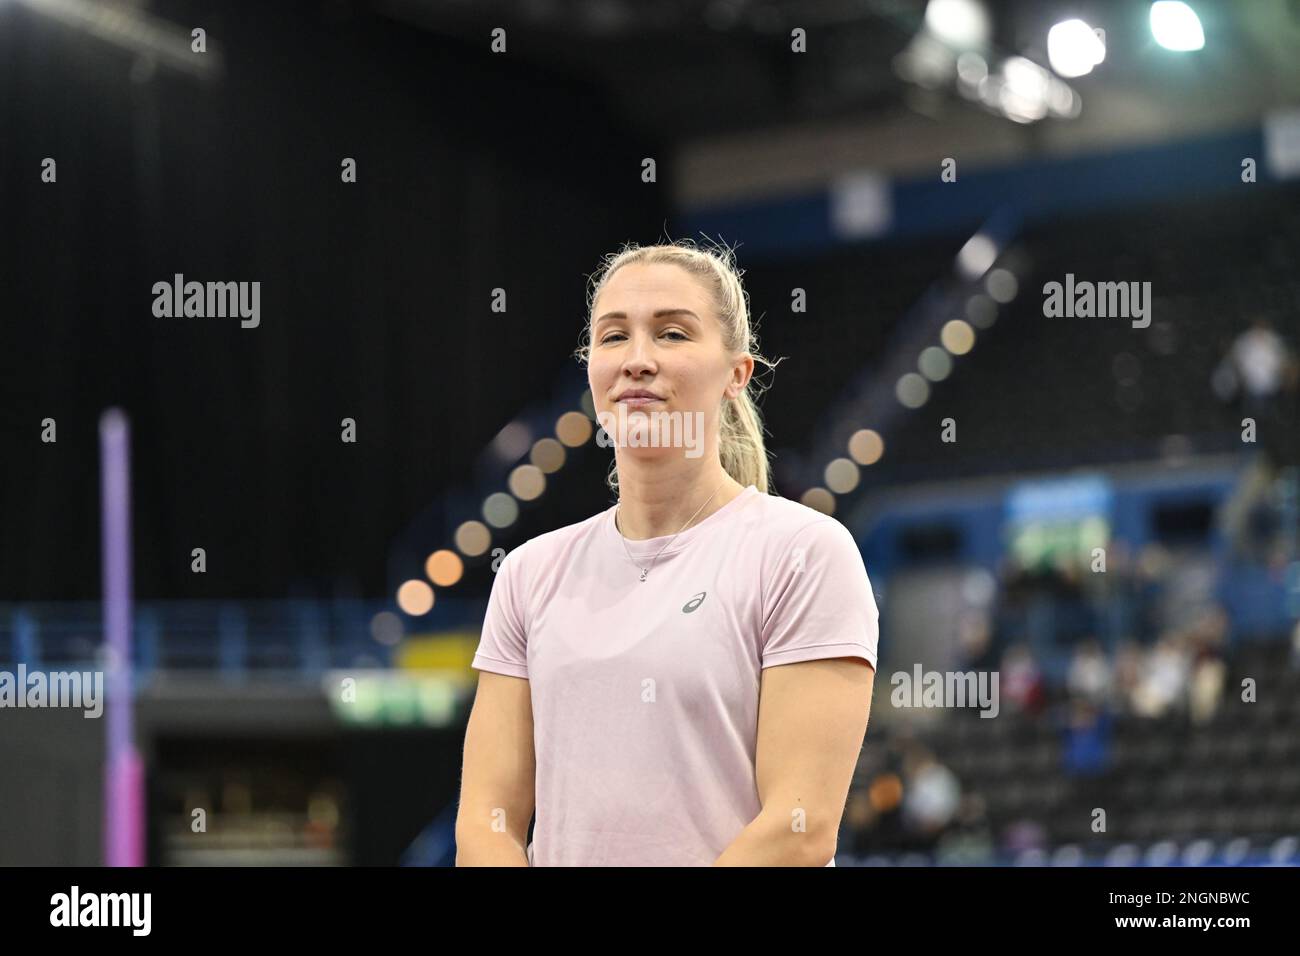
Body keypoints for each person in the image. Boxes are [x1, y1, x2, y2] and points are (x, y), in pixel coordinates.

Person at [455, 240, 880, 866]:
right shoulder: (528, 573)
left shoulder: (802, 554)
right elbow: (486, 824)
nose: (638, 360)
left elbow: (800, 828)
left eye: (673, 334)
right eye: (613, 337)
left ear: (737, 373)